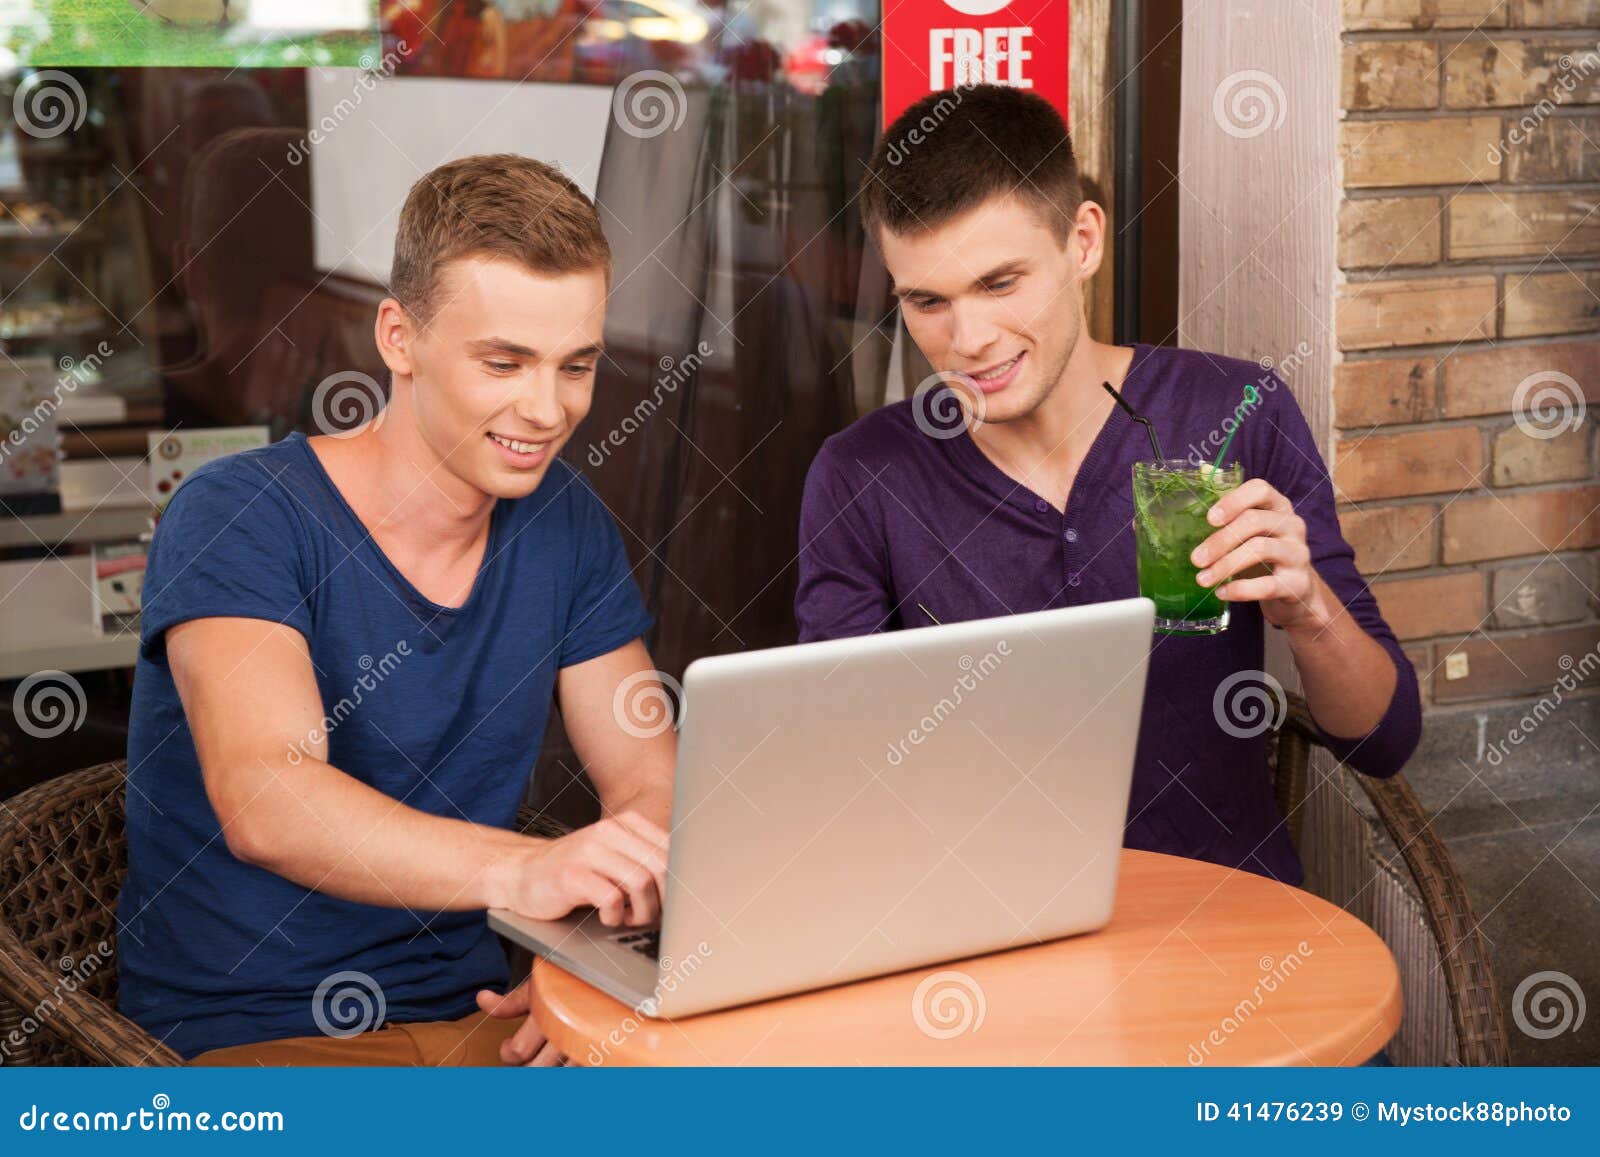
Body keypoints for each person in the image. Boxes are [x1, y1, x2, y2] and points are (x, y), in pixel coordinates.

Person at [118, 155, 673, 1066]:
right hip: (257, 1028)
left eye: (576, 366)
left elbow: (651, 785)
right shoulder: (239, 514)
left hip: (485, 1010)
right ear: (398, 337)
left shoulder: (563, 520)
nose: (547, 408)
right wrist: (528, 868)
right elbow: (270, 798)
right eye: (504, 361)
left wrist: (584, 964)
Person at [796, 86, 1421, 887]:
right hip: (981, 939)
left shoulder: (1235, 412)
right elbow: (839, 775)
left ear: (1083, 241)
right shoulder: (861, 475)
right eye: (927, 301)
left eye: (1000, 282)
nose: (969, 340)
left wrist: (1309, 614)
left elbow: (1385, 741)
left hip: (1228, 927)